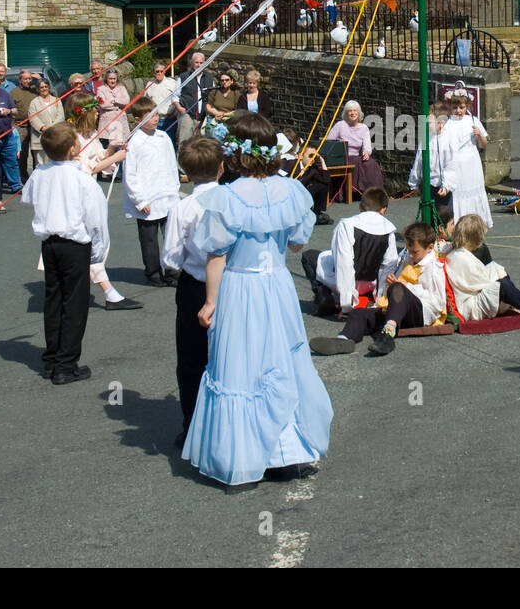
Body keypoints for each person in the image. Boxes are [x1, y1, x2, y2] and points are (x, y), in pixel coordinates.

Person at [180, 112, 333, 488]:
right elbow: (297, 243)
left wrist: (209, 301)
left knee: (241, 364)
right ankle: (285, 451)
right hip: (277, 284)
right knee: (280, 359)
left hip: (240, 285)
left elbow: (216, 254)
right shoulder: (293, 191)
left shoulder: (226, 197)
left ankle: (244, 454)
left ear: (233, 153)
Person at [22, 122, 111, 385]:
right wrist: (99, 249)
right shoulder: (81, 179)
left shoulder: (40, 174)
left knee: (54, 299)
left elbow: (28, 198)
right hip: (74, 245)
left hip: (50, 244)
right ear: (74, 148)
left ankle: (53, 358)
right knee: (74, 304)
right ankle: (65, 364)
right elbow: (96, 220)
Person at [160, 135, 225, 445]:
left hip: (194, 283)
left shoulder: (183, 207)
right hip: (231, 284)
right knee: (228, 353)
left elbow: (170, 257)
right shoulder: (231, 201)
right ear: (222, 168)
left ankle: (192, 424)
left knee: (191, 356)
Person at [311, 221, 447, 358]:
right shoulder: (407, 260)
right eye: (408, 250)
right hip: (396, 309)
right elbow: (394, 289)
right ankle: (344, 339)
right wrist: (389, 286)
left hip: (419, 313)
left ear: (430, 248)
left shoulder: (433, 267)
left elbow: (438, 303)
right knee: (359, 314)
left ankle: (388, 334)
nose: (410, 255)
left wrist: (406, 287)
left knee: (398, 288)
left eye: (415, 252)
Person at [65, 92, 137, 310]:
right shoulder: (72, 138)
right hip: (79, 199)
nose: (98, 112)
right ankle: (109, 294)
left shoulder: (91, 134)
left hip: (91, 196)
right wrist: (117, 158)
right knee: (92, 243)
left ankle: (79, 292)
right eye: (94, 109)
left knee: (96, 242)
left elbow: (98, 158)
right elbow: (84, 170)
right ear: (84, 112)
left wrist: (111, 150)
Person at [442, 214, 520, 324]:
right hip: (470, 305)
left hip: (474, 296)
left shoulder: (458, 252)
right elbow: (481, 284)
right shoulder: (461, 259)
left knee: (498, 272)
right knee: (502, 285)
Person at [302, 186, 398, 318]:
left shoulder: (347, 225)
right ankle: (365, 298)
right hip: (370, 284)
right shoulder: (389, 231)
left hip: (343, 284)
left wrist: (346, 304)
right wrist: (380, 298)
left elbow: (344, 263)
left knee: (309, 256)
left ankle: (324, 296)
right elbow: (389, 266)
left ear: (360, 207)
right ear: (383, 209)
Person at [123, 97, 180, 287]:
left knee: (170, 236)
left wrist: (175, 190)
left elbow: (172, 166)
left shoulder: (163, 138)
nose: (155, 119)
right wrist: (139, 200)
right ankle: (153, 272)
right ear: (138, 119)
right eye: (149, 116)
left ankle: (172, 271)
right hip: (147, 198)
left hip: (167, 195)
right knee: (149, 240)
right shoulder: (135, 142)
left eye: (156, 114)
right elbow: (130, 174)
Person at [436, 93, 490, 227]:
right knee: (458, 195)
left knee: (473, 193)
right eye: (455, 107)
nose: (458, 111)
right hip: (456, 165)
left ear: (467, 107)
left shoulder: (473, 121)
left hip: (472, 165)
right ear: (449, 107)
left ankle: (476, 224)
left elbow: (483, 145)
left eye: (461, 107)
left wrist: (480, 135)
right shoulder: (447, 124)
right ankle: (460, 225)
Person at [176, 52, 214, 144]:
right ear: (192, 63)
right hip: (187, 114)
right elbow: (175, 96)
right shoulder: (183, 77)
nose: (199, 65)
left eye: (201, 63)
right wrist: (180, 108)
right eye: (196, 62)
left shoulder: (209, 78)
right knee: (185, 143)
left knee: (201, 145)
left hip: (203, 116)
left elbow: (212, 96)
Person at [26, 80, 65, 167]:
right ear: (38, 89)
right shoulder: (34, 103)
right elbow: (32, 118)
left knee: (55, 162)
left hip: (55, 136)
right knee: (40, 164)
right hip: (40, 137)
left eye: (46, 87)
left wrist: (52, 129)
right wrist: (43, 128)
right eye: (41, 87)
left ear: (49, 87)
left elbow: (60, 116)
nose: (44, 89)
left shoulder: (56, 100)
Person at [10, 70, 38, 183]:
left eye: (29, 79)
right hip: (20, 127)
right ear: (20, 80)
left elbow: (48, 93)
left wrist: (39, 79)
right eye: (25, 79)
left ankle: (37, 177)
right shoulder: (14, 92)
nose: (28, 81)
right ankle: (23, 178)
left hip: (35, 126)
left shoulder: (35, 90)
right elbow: (10, 110)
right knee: (22, 155)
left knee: (36, 153)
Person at [143, 62, 181, 140]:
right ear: (154, 72)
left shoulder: (172, 83)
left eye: (161, 71)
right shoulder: (150, 85)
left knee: (170, 142)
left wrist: (175, 114)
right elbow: (146, 102)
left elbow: (179, 98)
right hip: (154, 120)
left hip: (169, 118)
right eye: (157, 71)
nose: (159, 73)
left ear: (165, 71)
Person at [96, 67, 131, 147]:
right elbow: (102, 104)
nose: (112, 81)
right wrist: (118, 106)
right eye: (110, 78)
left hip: (121, 122)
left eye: (114, 79)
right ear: (106, 79)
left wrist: (113, 100)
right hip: (106, 124)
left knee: (120, 149)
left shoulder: (122, 88)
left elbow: (127, 101)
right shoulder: (101, 89)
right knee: (107, 149)